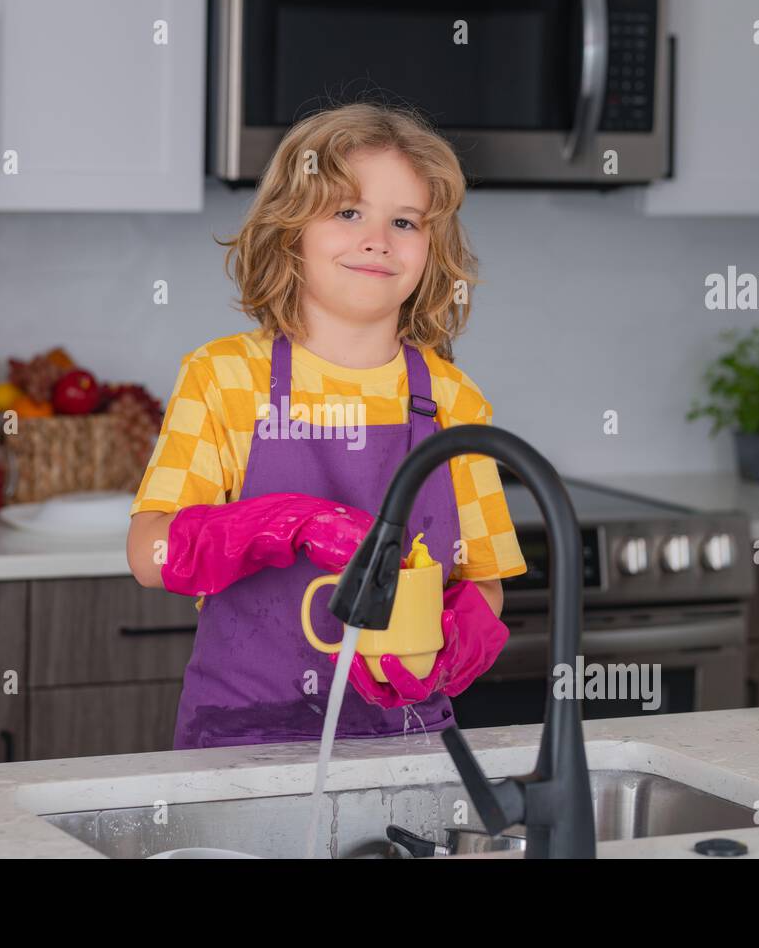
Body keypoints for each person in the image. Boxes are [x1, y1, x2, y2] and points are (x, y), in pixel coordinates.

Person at [126, 102, 527, 750]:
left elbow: (481, 577)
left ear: (432, 249)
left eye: (404, 221)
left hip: (409, 734)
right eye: (348, 212)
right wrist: (289, 524)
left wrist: (456, 637)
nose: (378, 239)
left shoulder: (452, 399)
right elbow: (151, 553)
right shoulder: (228, 376)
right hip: (243, 734)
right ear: (291, 231)